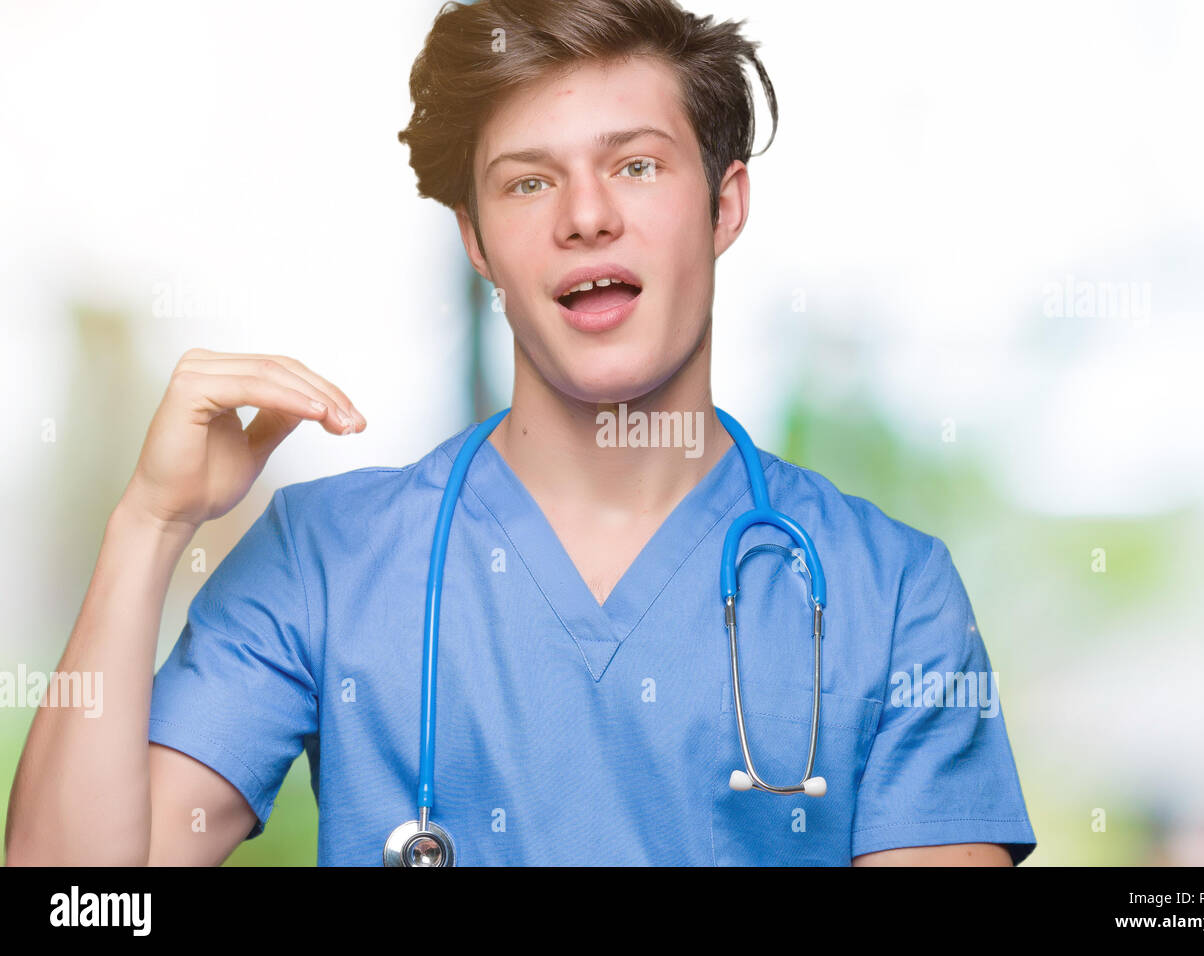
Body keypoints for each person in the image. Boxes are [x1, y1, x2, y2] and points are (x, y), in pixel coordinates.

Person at [5, 0, 1036, 866]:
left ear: (725, 206)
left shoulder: (892, 593)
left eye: (635, 166)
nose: (584, 216)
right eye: (528, 181)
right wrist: (147, 522)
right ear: (477, 240)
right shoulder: (324, 561)